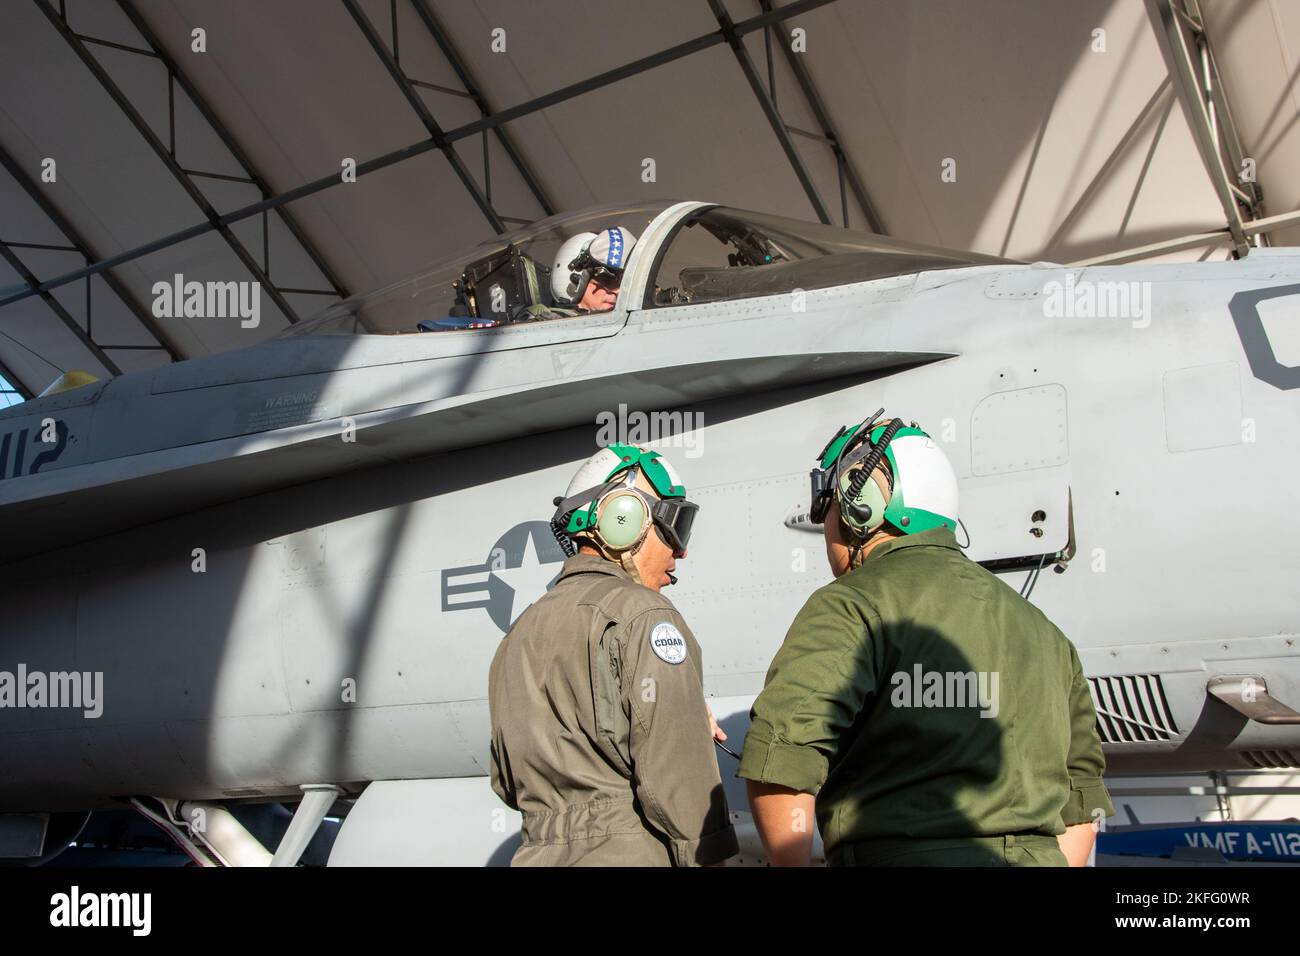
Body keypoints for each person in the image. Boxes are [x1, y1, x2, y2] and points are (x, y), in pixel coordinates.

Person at [739, 411, 1114, 866]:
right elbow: (1081, 799)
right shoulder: (1047, 633)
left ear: (864, 507)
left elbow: (780, 761)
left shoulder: (850, 604)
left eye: (831, 509)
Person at [488, 443, 738, 866]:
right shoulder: (644, 615)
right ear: (625, 519)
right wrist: (710, 850)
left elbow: (506, 783)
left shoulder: (518, 635)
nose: (681, 551)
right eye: (674, 526)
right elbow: (677, 779)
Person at [516, 227, 636, 320]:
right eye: (607, 278)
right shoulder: (539, 324)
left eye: (621, 282)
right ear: (574, 281)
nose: (618, 290)